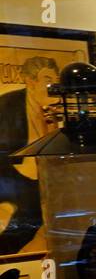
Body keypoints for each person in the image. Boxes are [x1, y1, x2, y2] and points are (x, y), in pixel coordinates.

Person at [0, 55, 60, 254]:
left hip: (46, 184)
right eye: (47, 80)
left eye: (55, 81)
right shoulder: (7, 105)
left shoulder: (59, 108)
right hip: (11, 181)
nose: (53, 86)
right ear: (30, 81)